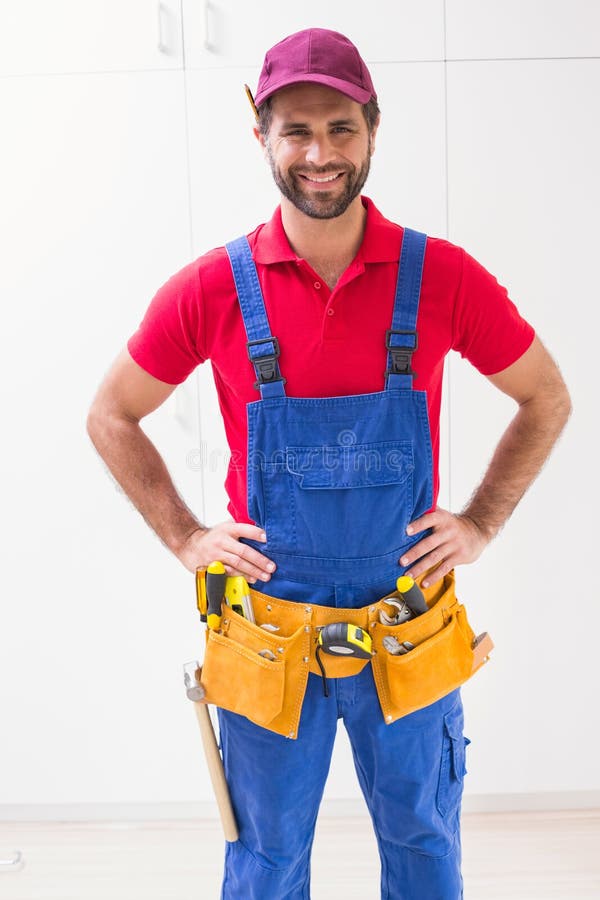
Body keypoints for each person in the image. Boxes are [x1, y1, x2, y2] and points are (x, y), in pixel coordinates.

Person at [87, 27, 571, 900]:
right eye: (296, 130)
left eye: (341, 128)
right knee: (266, 864)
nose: (320, 154)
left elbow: (547, 396)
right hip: (266, 640)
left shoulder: (442, 277)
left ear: (374, 130)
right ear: (261, 134)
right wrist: (188, 536)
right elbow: (111, 414)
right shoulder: (213, 288)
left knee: (425, 850)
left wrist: (482, 521)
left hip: (409, 627)